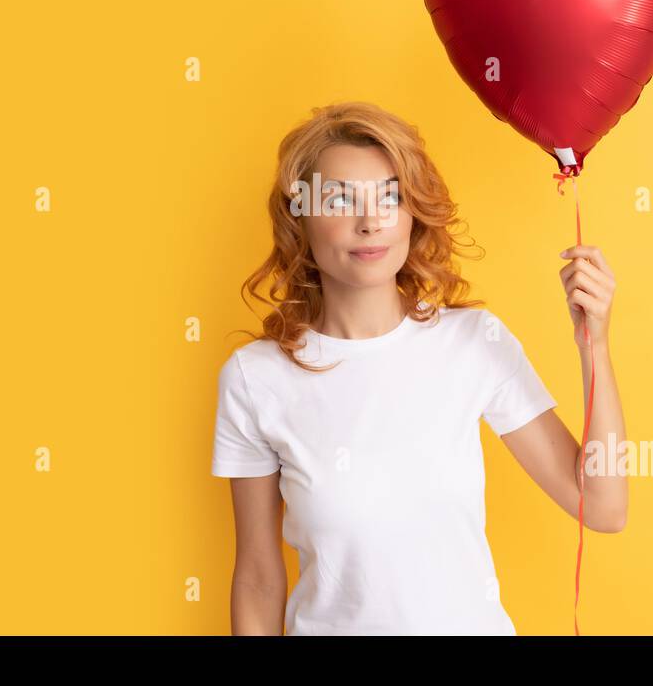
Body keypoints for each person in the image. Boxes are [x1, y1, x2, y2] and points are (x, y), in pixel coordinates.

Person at [210, 101, 627, 634]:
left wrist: (595, 345)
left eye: (390, 196)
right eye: (340, 200)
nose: (370, 223)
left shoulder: (475, 343)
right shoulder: (255, 378)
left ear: (412, 213)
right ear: (301, 218)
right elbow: (258, 579)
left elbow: (604, 507)